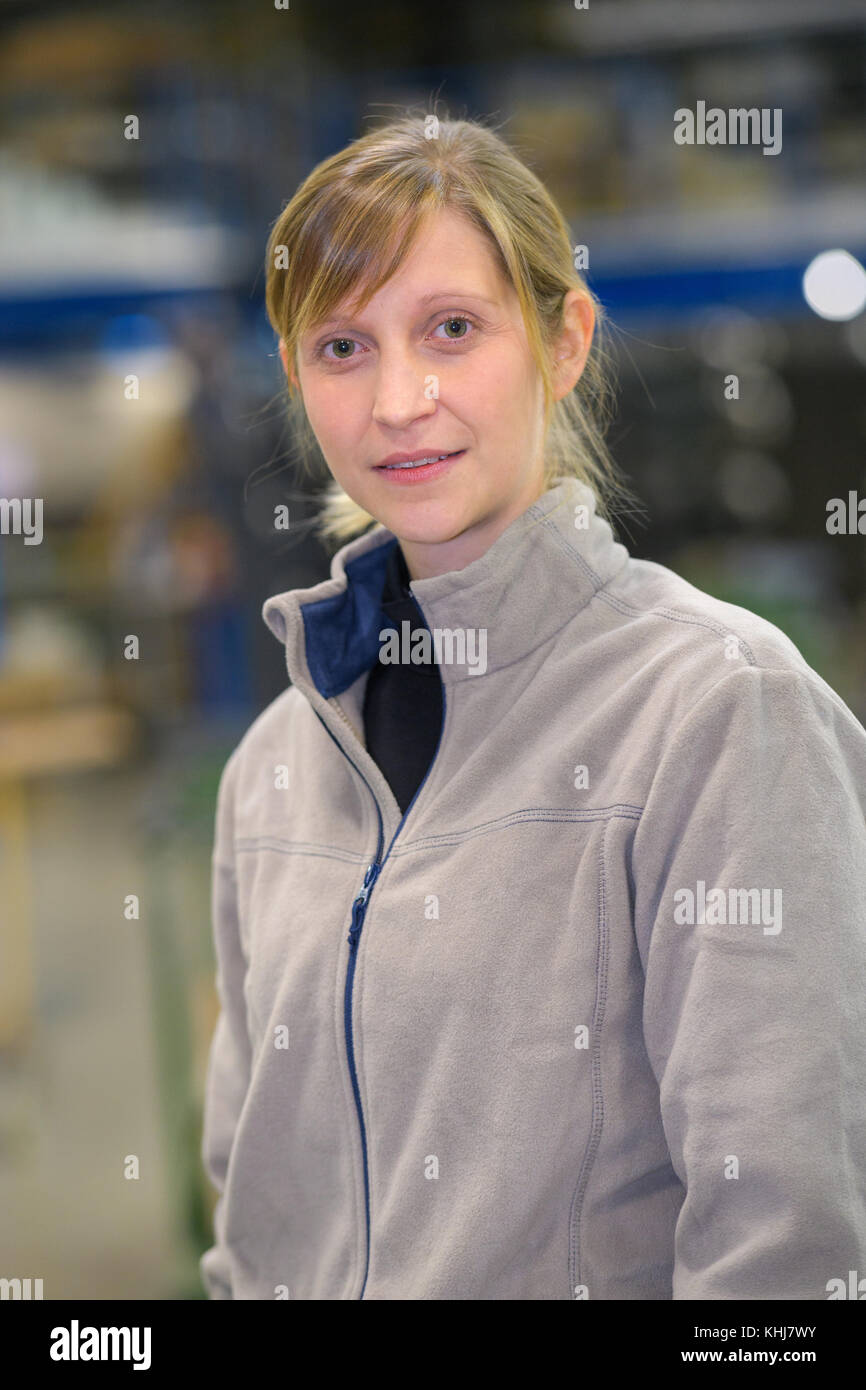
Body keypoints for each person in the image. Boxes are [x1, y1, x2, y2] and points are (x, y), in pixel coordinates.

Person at [199, 111, 866, 1300]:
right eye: (342, 348)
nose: (399, 399)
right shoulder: (273, 767)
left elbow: (785, 1258)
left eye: (450, 329)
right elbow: (250, 1215)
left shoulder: (718, 715)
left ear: (563, 343)